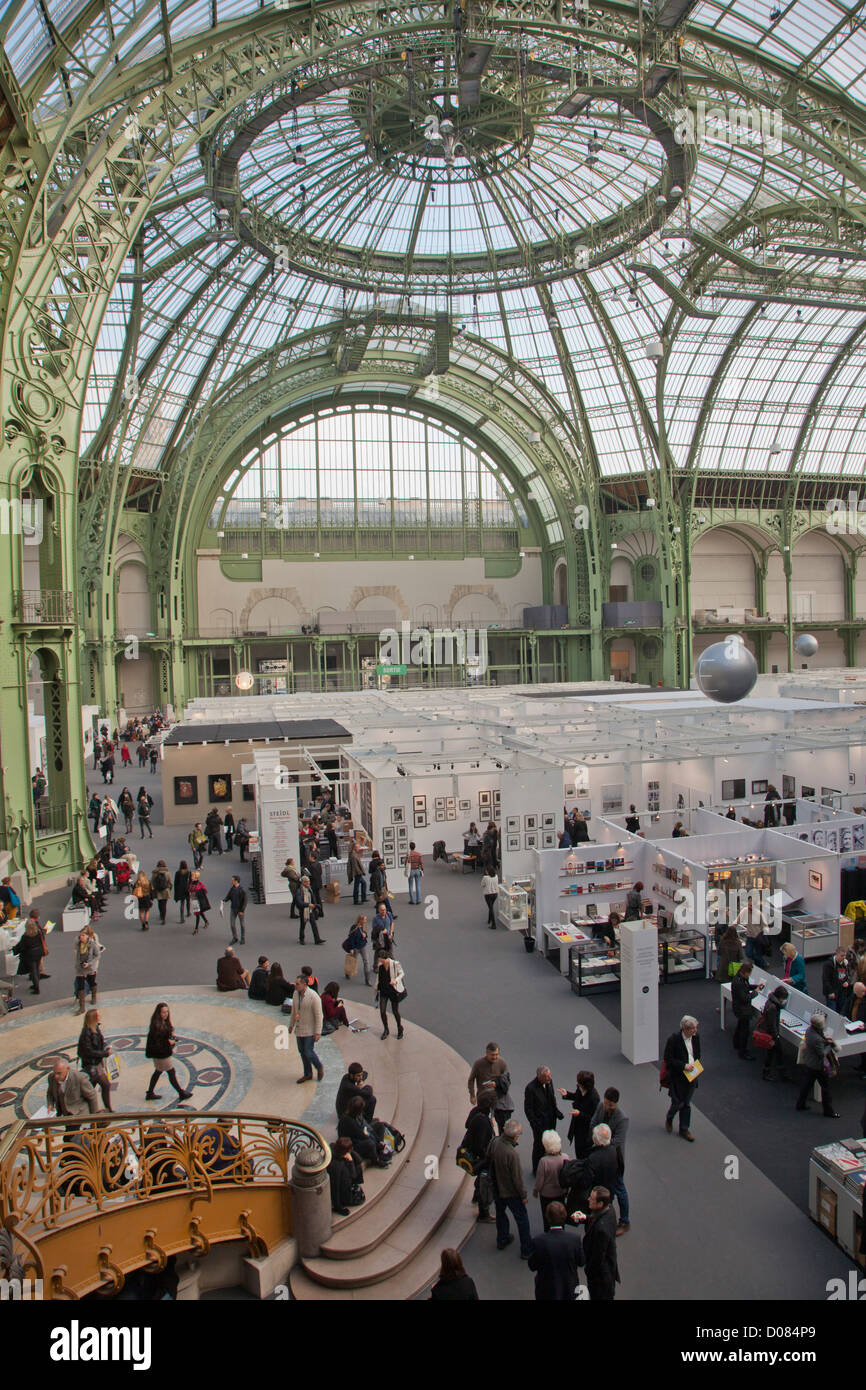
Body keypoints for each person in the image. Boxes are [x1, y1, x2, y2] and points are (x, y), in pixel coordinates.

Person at [489, 1119, 532, 1258]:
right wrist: (523, 1195)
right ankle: (526, 1249)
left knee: (500, 1214)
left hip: (497, 1187)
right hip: (511, 1192)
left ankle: (502, 1239)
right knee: (522, 1219)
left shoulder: (495, 1142)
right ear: (515, 1136)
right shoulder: (512, 1154)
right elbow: (517, 1179)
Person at [590, 1088, 630, 1234]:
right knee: (604, 1185)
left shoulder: (622, 1119)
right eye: (606, 1103)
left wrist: (601, 1141)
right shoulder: (601, 1106)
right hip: (602, 1153)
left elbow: (618, 1141)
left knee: (620, 1188)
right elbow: (593, 1122)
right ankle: (605, 1213)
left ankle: (625, 1221)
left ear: (616, 1103)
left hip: (615, 1159)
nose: (607, 1107)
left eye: (610, 1105)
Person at [527, 1200, 584, 1300]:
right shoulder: (574, 1239)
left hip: (546, 1289)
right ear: (564, 1216)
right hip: (569, 1288)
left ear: (548, 1218)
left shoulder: (539, 1241)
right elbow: (581, 1261)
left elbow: (532, 1265)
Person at [560, 1123, 619, 1216]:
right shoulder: (615, 1150)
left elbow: (586, 1181)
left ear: (595, 1139)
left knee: (594, 1218)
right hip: (609, 1191)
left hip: (597, 1193)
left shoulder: (593, 1158)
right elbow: (620, 1169)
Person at [663, 1015, 701, 1141]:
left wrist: (694, 1067)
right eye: (693, 1029)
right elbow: (668, 1060)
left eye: (695, 1028)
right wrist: (684, 1066)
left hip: (691, 1076)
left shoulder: (696, 1038)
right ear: (685, 1029)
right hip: (678, 1077)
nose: (695, 1031)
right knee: (677, 1103)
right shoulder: (673, 1040)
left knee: (686, 1103)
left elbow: (697, 1054)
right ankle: (670, 1117)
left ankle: (684, 1129)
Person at [144, 1003, 193, 1101]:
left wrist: (170, 1037)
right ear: (159, 1013)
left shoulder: (161, 1022)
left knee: (158, 1071)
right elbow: (159, 1042)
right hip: (161, 1054)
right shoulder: (157, 1026)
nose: (166, 1014)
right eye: (163, 1012)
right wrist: (169, 1042)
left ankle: (150, 1093)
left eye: (167, 1012)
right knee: (171, 1072)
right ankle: (181, 1093)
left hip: (160, 1053)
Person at [795, 1013, 840, 1117]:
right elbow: (821, 1054)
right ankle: (828, 1111)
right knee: (826, 1088)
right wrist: (829, 1045)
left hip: (810, 1062)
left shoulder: (809, 1031)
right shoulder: (817, 1039)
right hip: (818, 1066)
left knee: (807, 1084)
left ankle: (800, 1104)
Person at [461, 1092, 496, 1223]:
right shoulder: (482, 1121)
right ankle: (483, 1213)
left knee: (481, 1182)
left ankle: (478, 1198)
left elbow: (467, 1125)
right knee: (484, 1184)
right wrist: (487, 1158)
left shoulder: (476, 1113)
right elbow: (481, 1144)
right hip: (482, 1159)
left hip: (478, 1157)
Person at [581, 1186, 620, 1301]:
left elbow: (597, 1257)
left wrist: (588, 1269)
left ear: (600, 1204)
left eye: (592, 1199)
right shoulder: (610, 1209)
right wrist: (586, 1218)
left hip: (600, 1278)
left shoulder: (601, 1230)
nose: (588, 1199)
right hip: (608, 1271)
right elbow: (596, 1218)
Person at [523, 1066, 564, 1173]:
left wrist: (556, 1111)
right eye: (546, 1076)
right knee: (539, 1146)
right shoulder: (530, 1088)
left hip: (551, 1119)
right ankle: (536, 1169)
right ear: (539, 1077)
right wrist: (534, 1123)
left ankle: (549, 1167)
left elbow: (552, 1098)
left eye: (549, 1075)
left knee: (551, 1143)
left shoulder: (549, 1082)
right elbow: (528, 1109)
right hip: (539, 1122)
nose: (549, 1078)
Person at [468, 1041, 514, 1133]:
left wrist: (496, 1084)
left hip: (497, 1098)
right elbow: (471, 1079)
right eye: (492, 1055)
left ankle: (499, 1140)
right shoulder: (478, 1063)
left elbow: (507, 1081)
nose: (495, 1057)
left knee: (502, 1122)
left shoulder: (502, 1063)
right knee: (484, 1123)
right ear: (487, 1053)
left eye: (496, 1054)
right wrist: (472, 1095)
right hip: (484, 1098)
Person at [288, 973, 324, 1082]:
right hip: (299, 1028)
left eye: (298, 984)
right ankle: (307, 1073)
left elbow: (319, 1015)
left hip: (309, 1030)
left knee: (308, 1051)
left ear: (304, 984)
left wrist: (317, 1032)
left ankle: (319, 1067)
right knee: (302, 1052)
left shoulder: (313, 997)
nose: (296, 985)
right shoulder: (295, 994)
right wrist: (291, 1025)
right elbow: (294, 1010)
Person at [337, 1096, 390, 1166]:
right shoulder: (348, 1121)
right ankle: (376, 1159)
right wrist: (377, 1143)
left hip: (361, 1133)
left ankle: (380, 1147)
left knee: (380, 1125)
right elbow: (362, 1135)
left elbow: (367, 1126)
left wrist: (379, 1140)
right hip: (352, 1143)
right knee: (370, 1143)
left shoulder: (357, 1115)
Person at [77, 1007, 113, 1110]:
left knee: (103, 1085)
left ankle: (108, 1108)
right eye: (98, 1015)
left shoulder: (95, 1028)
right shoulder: (86, 1033)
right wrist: (105, 1053)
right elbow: (89, 1051)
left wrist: (105, 1047)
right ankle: (87, 1109)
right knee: (92, 1088)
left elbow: (99, 1043)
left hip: (96, 1065)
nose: (100, 1017)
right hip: (92, 1066)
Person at [559, 1070, 599, 1158]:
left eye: (579, 1083)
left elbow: (594, 1119)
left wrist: (580, 1114)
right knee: (578, 1150)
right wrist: (567, 1095)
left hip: (586, 1132)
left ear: (585, 1085)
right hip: (578, 1127)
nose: (577, 1084)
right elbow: (577, 1097)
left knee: (584, 1154)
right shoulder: (580, 1088)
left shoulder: (594, 1098)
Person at [532, 1132, 568, 1231]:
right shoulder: (565, 1157)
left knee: (548, 1216)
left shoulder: (544, 1161)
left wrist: (536, 1191)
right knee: (560, 1214)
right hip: (561, 1192)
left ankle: (548, 1232)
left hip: (547, 1194)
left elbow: (540, 1180)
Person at [756, 985, 789, 1082]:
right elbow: (772, 1025)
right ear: (779, 997)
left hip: (771, 1033)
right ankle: (772, 1073)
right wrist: (775, 1037)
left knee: (775, 1053)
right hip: (772, 1034)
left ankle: (778, 1072)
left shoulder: (771, 1001)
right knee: (773, 1053)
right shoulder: (773, 1007)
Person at [731, 960, 761, 1060]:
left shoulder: (740, 978)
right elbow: (745, 998)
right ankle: (742, 1052)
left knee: (740, 1026)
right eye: (749, 973)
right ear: (745, 972)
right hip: (742, 1010)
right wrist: (755, 992)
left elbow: (746, 987)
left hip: (740, 1008)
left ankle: (736, 1044)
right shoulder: (739, 982)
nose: (749, 975)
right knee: (745, 1031)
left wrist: (755, 986)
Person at [328, 1137, 365, 1217]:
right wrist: (350, 1162)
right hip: (343, 1192)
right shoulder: (338, 1167)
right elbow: (336, 1187)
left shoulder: (333, 1150)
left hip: (343, 1184)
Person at [73, 923, 104, 1016]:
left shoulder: (92, 944)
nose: (81, 937)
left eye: (83, 935)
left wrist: (89, 963)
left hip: (90, 967)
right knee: (80, 986)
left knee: (91, 982)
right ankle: (81, 1007)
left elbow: (97, 955)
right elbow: (75, 951)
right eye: (80, 935)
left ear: (88, 936)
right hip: (80, 967)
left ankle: (94, 995)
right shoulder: (78, 943)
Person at [734, 893, 770, 969]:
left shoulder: (759, 914)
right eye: (749, 904)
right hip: (750, 936)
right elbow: (737, 921)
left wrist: (765, 934)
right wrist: (730, 928)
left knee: (758, 954)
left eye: (751, 905)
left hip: (758, 937)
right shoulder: (744, 911)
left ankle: (759, 968)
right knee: (748, 953)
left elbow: (765, 925)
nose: (749, 906)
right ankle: (763, 962)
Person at [377, 951, 406, 1040]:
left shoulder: (395, 964)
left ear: (384, 959)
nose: (379, 960)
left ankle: (399, 1028)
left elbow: (402, 973)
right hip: (384, 990)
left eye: (380, 959)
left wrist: (396, 980)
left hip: (393, 990)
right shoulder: (381, 967)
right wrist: (376, 988)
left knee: (395, 1011)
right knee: (382, 1011)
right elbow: (378, 978)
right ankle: (386, 1029)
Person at [13, 917, 44, 994]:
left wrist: (14, 949)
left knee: (33, 971)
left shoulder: (25, 936)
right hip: (38, 953)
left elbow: (21, 946)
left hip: (30, 956)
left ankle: (37, 988)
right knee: (36, 969)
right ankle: (36, 985)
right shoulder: (38, 933)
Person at [295, 874, 324, 946]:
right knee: (303, 925)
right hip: (303, 911)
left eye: (309, 881)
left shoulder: (309, 889)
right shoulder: (299, 891)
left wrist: (315, 906)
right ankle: (302, 938)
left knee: (314, 924)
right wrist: (308, 904)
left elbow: (313, 898)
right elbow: (299, 902)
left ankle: (317, 939)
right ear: (303, 883)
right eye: (307, 882)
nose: (309, 883)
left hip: (310, 910)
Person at [345, 914, 374, 986]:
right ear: (361, 920)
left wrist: (365, 935)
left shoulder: (363, 927)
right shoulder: (354, 927)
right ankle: (348, 972)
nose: (365, 921)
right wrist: (351, 948)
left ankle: (367, 979)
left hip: (362, 946)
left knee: (366, 962)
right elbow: (351, 938)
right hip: (355, 947)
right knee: (353, 961)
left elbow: (366, 934)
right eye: (365, 920)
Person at [823, 946, 852, 1016]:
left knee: (841, 1012)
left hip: (842, 992)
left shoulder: (846, 964)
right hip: (832, 992)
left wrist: (847, 982)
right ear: (837, 954)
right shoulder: (829, 964)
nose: (844, 957)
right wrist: (830, 992)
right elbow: (825, 979)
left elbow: (849, 976)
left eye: (845, 955)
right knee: (832, 1013)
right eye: (842, 956)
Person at [222, 876, 248, 945]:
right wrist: (224, 900)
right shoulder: (232, 889)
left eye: (233, 880)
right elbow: (228, 896)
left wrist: (242, 910)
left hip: (240, 910)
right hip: (233, 909)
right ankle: (235, 937)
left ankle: (243, 938)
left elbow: (245, 901)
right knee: (232, 925)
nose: (231, 881)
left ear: (236, 881)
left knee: (242, 925)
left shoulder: (242, 890)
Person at [151, 860, 171, 925]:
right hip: (166, 890)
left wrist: (153, 889)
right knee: (164, 904)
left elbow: (152, 882)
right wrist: (169, 889)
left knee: (160, 903)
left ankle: (161, 914)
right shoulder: (167, 872)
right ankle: (164, 918)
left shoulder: (155, 872)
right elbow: (170, 882)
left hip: (158, 890)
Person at [348, 841, 367, 905]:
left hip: (358, 872)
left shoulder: (354, 854)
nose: (359, 848)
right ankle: (356, 900)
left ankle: (363, 898)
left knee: (363, 883)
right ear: (354, 848)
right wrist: (360, 872)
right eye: (358, 847)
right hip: (357, 873)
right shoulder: (353, 856)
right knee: (356, 887)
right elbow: (355, 866)